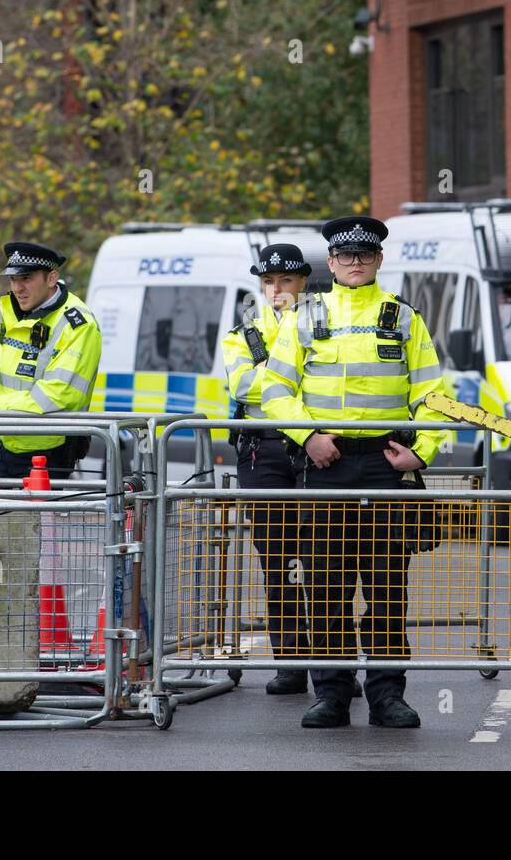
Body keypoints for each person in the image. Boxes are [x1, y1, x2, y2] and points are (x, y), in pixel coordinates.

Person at [262, 216, 449, 729]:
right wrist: (309, 437)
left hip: (386, 467)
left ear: (379, 260)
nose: (355, 263)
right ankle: (332, 695)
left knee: (388, 586)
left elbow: (432, 395)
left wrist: (423, 452)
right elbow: (275, 390)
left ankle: (388, 696)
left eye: (364, 255)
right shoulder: (303, 313)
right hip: (328, 462)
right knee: (326, 586)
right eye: (345, 256)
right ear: (330, 262)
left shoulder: (404, 317)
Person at [223, 243, 315, 696]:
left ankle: (333, 666)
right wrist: (290, 372)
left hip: (313, 448)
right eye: (268, 283)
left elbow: (321, 384)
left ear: (303, 283)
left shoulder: (322, 325)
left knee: (326, 557)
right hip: (263, 450)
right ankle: (290, 663)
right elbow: (242, 386)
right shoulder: (241, 333)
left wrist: (274, 375)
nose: (276, 290)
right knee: (277, 559)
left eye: (286, 281)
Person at [0, 241, 101, 480]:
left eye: (26, 278)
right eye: (13, 280)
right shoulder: (12, 312)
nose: (17, 288)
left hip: (50, 452)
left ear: (51, 278)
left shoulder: (78, 324)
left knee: (38, 518)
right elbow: (4, 380)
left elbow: (58, 395)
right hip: (9, 444)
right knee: (9, 518)